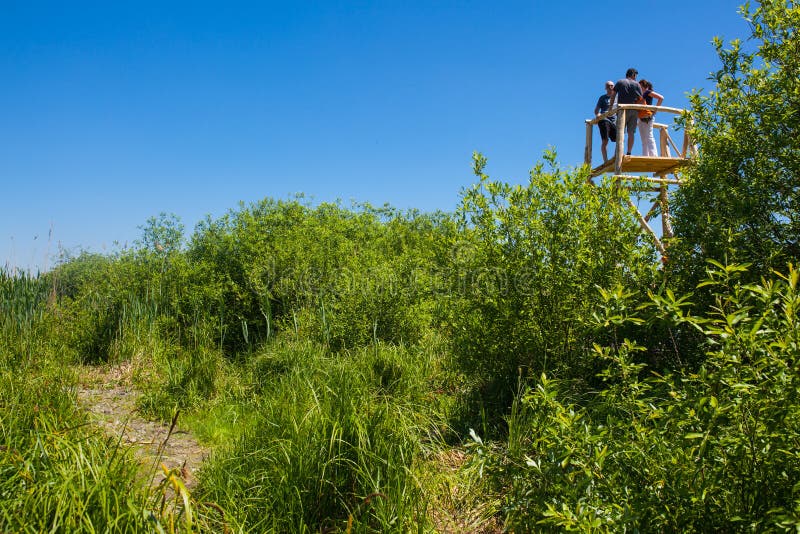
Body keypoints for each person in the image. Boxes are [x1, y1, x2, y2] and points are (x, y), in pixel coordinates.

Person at [612, 68, 643, 155]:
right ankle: (629, 152)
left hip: (622, 110)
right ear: (633, 75)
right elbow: (641, 99)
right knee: (631, 132)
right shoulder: (636, 84)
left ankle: (618, 152)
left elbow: (613, 95)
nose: (636, 78)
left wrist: (611, 107)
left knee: (620, 131)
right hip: (634, 110)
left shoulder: (620, 82)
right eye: (635, 76)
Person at [637, 79, 664, 157]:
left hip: (648, 116)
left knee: (649, 136)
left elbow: (661, 98)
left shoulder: (647, 92)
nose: (639, 88)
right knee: (643, 139)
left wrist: (655, 110)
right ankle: (645, 155)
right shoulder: (639, 95)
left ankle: (654, 155)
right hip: (640, 118)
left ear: (645, 86)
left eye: (640, 86)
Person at [594, 81, 617, 162]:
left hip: (614, 121)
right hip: (604, 119)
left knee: (620, 139)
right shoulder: (602, 98)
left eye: (612, 86)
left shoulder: (617, 98)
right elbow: (596, 110)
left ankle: (615, 158)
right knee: (605, 140)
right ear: (606, 88)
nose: (610, 87)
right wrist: (598, 115)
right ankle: (605, 161)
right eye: (608, 86)